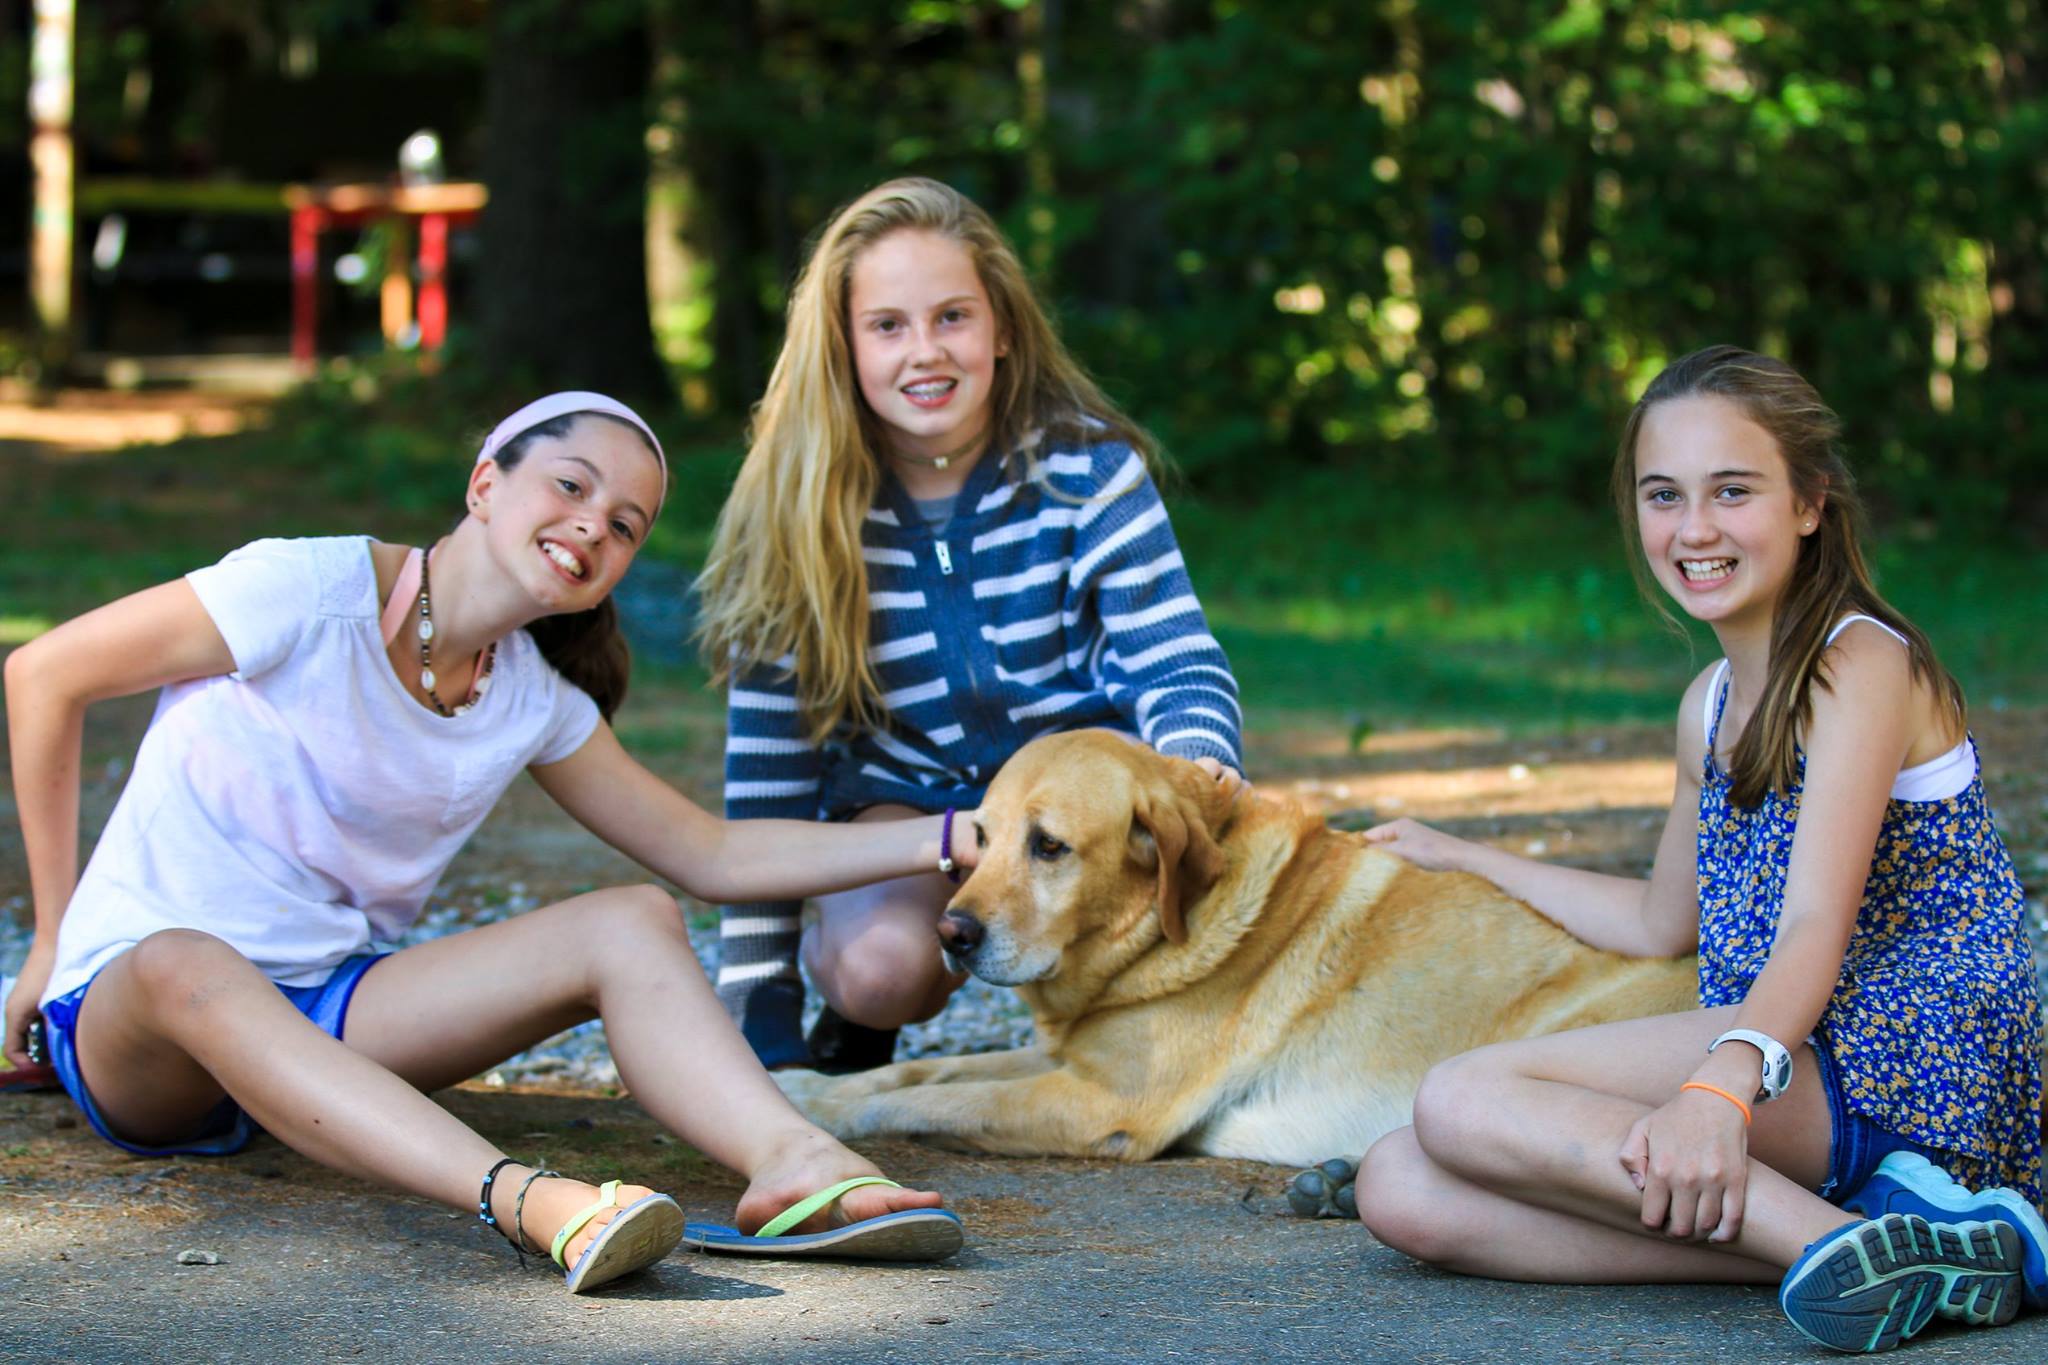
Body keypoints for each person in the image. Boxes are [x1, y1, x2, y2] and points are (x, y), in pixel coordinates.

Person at [2, 393, 969, 1294]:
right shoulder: (303, 589)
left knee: (632, 920)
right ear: (484, 483)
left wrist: (952, 837)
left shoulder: (532, 702)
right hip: (138, 1019)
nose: (596, 523)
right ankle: (534, 1203)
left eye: (626, 524)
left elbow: (711, 855)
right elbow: (44, 673)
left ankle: (790, 1161)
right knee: (184, 960)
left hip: (327, 1014)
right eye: (572, 484)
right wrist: (53, 936)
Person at [1345, 347, 2045, 1353]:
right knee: (1400, 1186)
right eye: (1661, 496)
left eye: (1731, 491)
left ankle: (1884, 1227)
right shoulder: (1705, 707)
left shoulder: (1861, 662)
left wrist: (1717, 1090)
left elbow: (1813, 922)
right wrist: (1465, 857)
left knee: (1461, 1098)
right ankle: (1871, 1250)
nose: (1694, 529)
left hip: (1907, 1063)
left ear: (1809, 502)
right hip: (1791, 1057)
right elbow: (1656, 920)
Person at [693, 178, 1244, 1071]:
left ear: (1004, 329)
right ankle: (861, 1019)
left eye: (952, 317)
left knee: (1203, 934)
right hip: (911, 812)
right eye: (888, 326)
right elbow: (770, 774)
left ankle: (1107, 1016)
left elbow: (1173, 660)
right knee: (880, 969)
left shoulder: (1085, 470)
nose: (925, 352)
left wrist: (1194, 769)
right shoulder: (796, 510)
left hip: (1079, 814)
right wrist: (758, 987)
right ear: (842, 345)